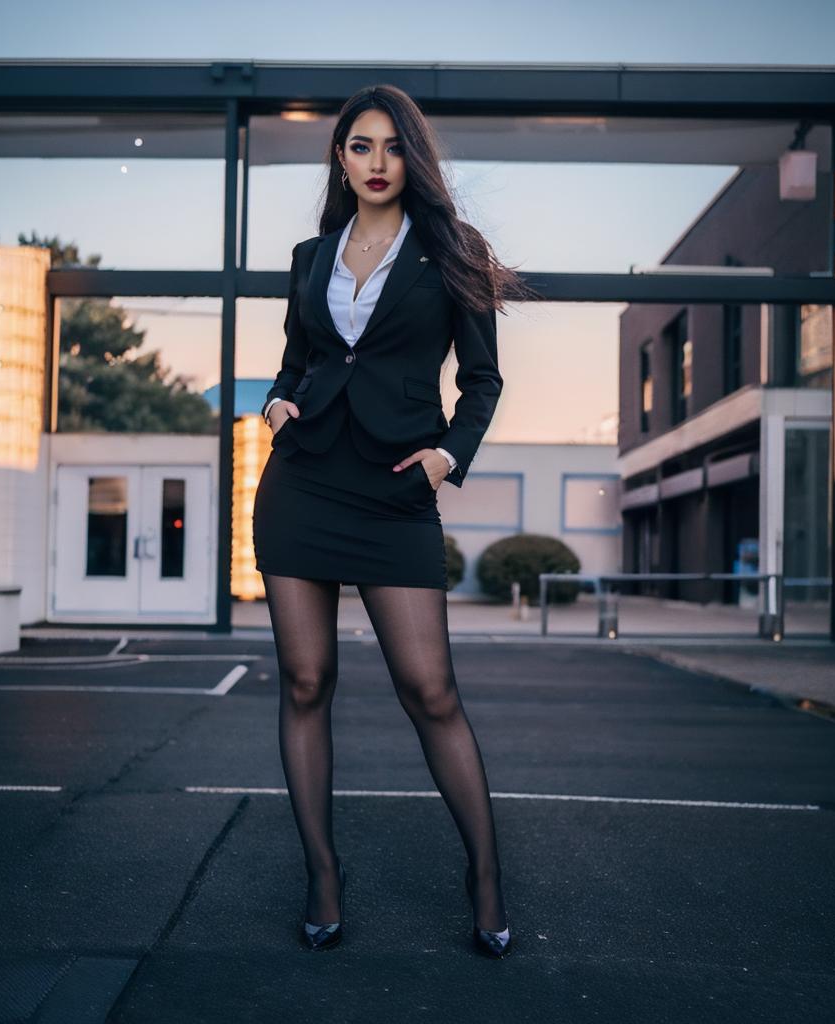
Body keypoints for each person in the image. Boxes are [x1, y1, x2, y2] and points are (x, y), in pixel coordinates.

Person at [252, 83, 533, 958]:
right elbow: (296, 360)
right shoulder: (311, 256)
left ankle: (484, 876)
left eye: (393, 146)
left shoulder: (453, 250)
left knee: (430, 690)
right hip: (303, 481)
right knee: (305, 683)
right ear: (339, 157)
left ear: (415, 157)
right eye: (361, 146)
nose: (377, 162)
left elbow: (482, 380)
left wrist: (449, 455)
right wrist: (275, 404)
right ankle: (322, 874)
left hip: (396, 489)